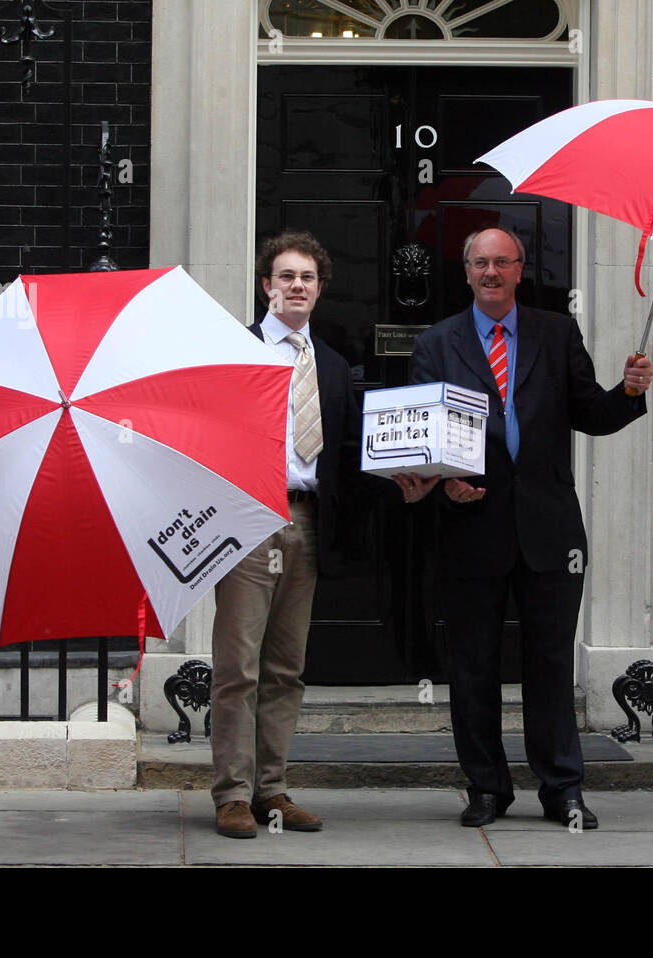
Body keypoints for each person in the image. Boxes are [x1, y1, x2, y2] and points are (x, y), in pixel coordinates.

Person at [394, 227, 653, 828]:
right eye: (480, 262)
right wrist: (445, 480)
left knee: (549, 664)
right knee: (475, 666)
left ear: (519, 269)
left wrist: (629, 392)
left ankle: (563, 788)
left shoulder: (556, 332)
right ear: (465, 272)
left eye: (501, 262)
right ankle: (485, 787)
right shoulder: (437, 343)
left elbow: (590, 412)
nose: (491, 272)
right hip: (470, 525)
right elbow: (420, 431)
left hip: (549, 528)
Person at [210, 230, 360, 838]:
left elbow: (349, 453)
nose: (296, 286)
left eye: (307, 278)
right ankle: (231, 796)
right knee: (238, 666)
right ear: (266, 286)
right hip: (250, 518)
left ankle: (272, 790)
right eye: (286, 277)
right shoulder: (235, 353)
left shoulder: (332, 363)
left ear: (319, 290)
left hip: (308, 520)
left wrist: (408, 479)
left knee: (285, 668)